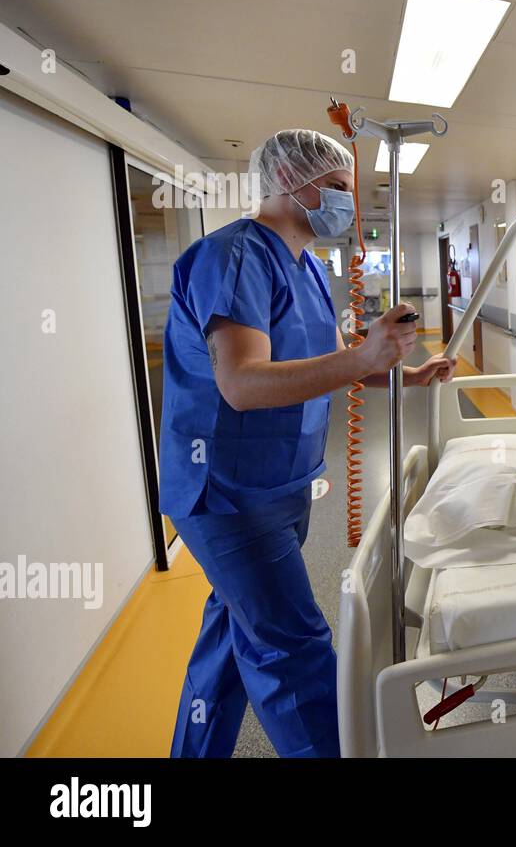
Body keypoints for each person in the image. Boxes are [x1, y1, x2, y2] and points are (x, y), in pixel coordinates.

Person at [160, 128, 456, 758]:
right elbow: (241, 383)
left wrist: (402, 371)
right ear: (294, 182)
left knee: (234, 635)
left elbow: (327, 361)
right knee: (293, 648)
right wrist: (369, 353)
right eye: (342, 189)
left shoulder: (307, 268)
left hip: (280, 484)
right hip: (229, 494)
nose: (350, 203)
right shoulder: (235, 256)